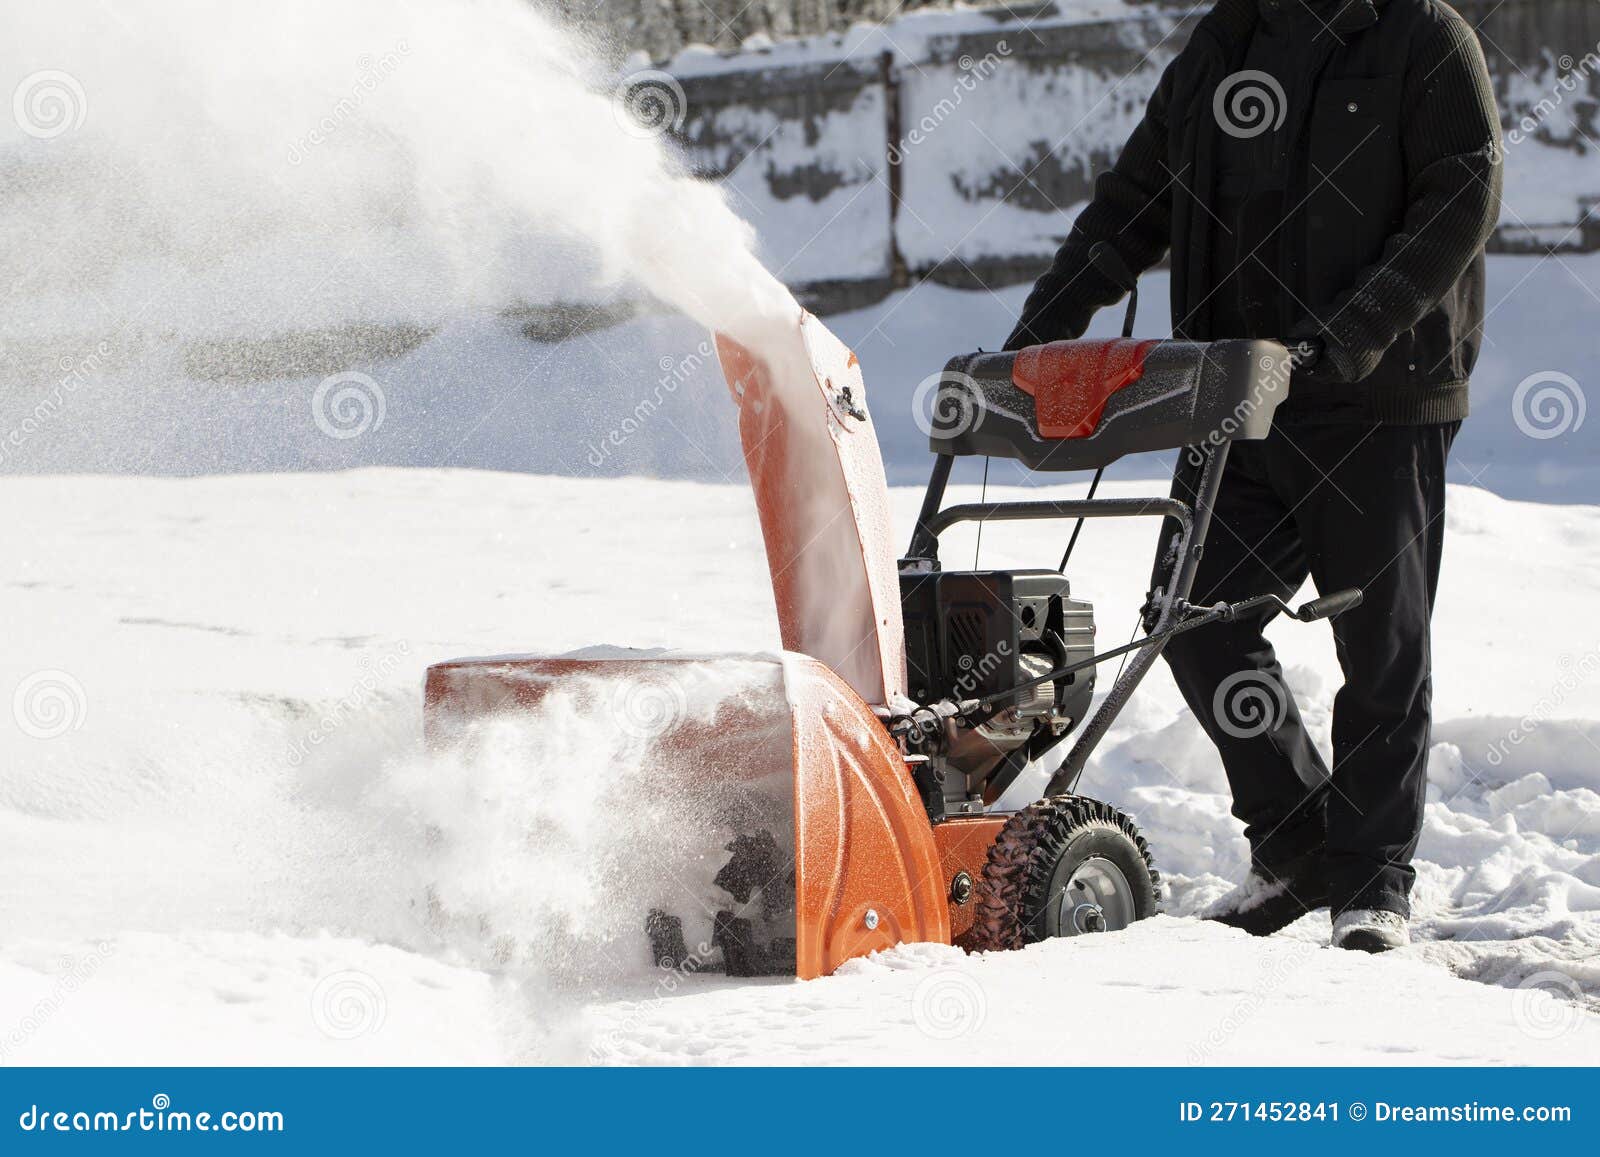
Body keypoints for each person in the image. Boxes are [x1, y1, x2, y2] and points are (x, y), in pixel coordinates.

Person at [1004, 0, 1502, 951]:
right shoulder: (1224, 43)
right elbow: (1134, 203)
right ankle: (1298, 840)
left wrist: (1347, 337)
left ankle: (1372, 886)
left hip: (1374, 396)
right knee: (1193, 621)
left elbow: (1459, 202)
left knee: (1380, 651)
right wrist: (1037, 334)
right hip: (1233, 394)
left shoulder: (1422, 37)